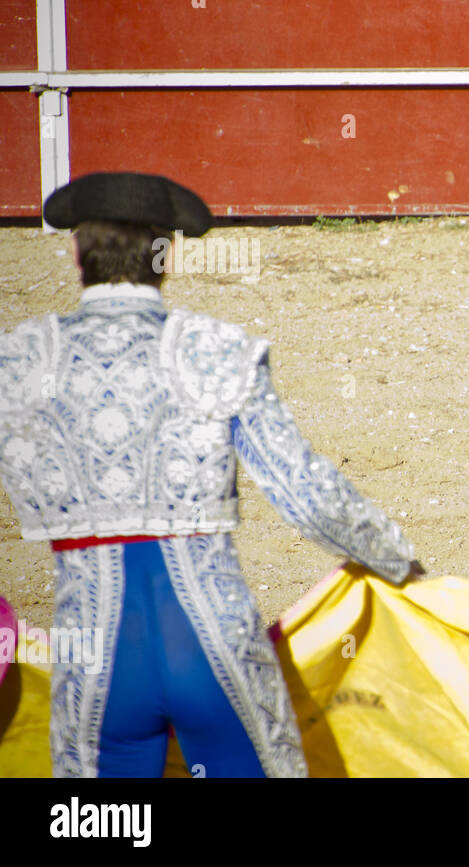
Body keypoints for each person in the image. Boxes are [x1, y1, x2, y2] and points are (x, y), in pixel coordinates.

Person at [0, 172, 421, 777]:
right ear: (166, 255)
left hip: (92, 658)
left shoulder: (19, 360)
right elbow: (306, 494)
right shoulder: (217, 352)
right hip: (215, 644)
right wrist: (397, 560)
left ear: (75, 253)